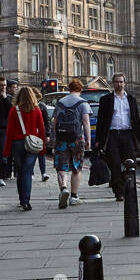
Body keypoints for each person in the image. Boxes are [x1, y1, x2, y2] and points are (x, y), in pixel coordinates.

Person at [95, 72, 140, 202]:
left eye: (121, 82)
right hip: (113, 135)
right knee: (115, 164)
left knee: (130, 162)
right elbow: (101, 121)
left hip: (127, 134)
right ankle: (119, 192)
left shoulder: (131, 99)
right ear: (113, 83)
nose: (119, 84)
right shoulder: (106, 99)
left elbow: (136, 120)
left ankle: (128, 187)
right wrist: (98, 140)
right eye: (116, 82)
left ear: (125, 83)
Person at [3, 86, 47, 211]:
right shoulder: (36, 110)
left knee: (20, 172)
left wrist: (6, 150)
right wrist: (43, 148)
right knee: (27, 172)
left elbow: (9, 131)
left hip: (17, 144)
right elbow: (42, 129)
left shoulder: (14, 110)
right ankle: (26, 201)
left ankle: (22, 200)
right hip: (32, 144)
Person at [52, 78, 92, 209]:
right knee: (76, 168)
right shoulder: (83, 103)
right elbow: (86, 122)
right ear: (80, 89)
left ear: (69, 89)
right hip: (77, 139)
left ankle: (63, 188)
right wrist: (88, 139)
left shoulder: (60, 103)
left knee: (61, 167)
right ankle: (74, 197)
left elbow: (55, 122)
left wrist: (54, 137)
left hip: (61, 139)